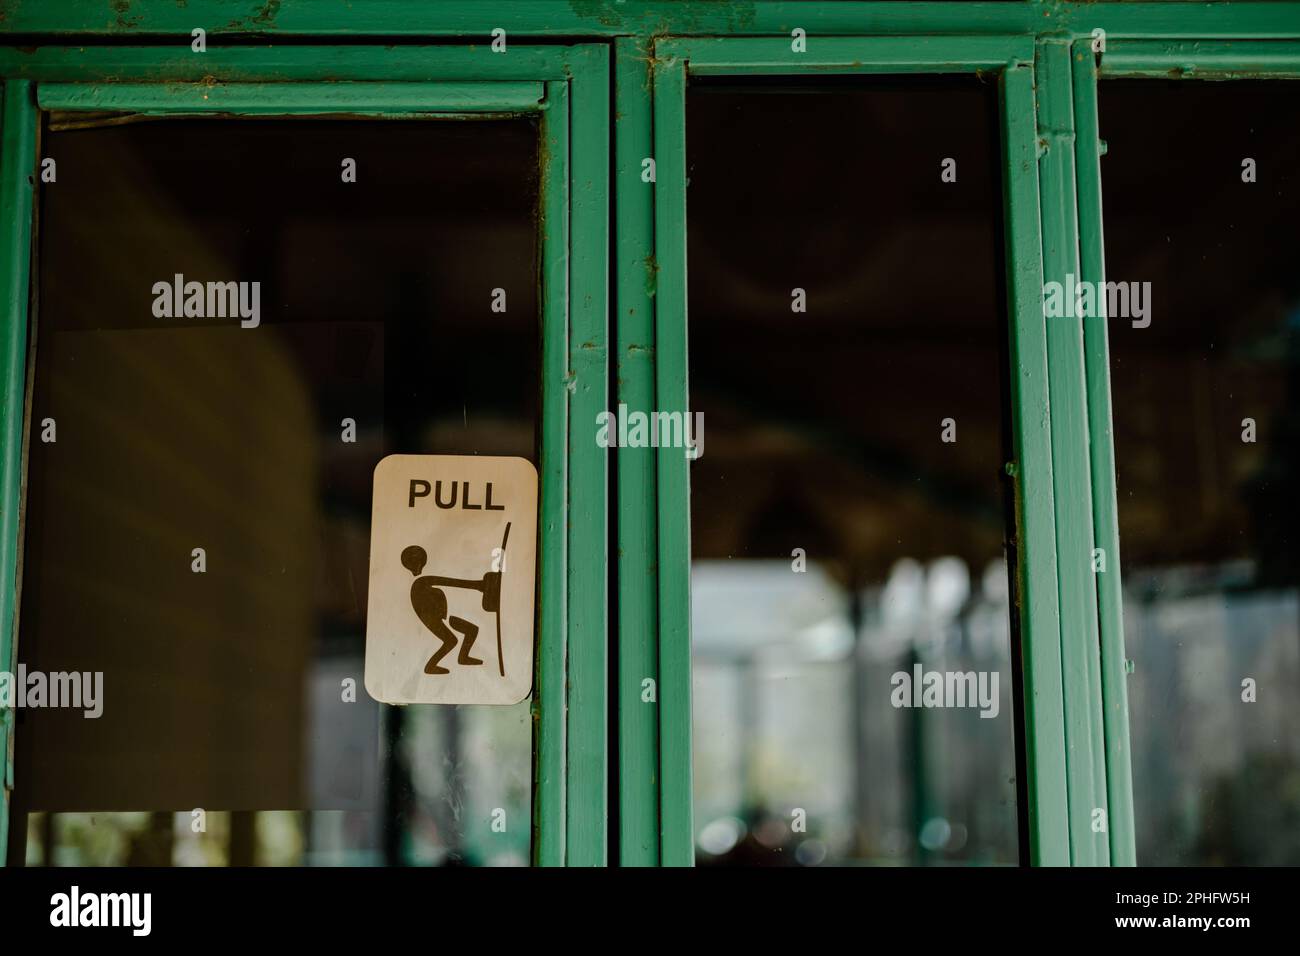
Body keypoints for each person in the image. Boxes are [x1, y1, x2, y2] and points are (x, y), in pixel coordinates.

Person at [400, 545, 483, 675]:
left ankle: (463, 657)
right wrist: (476, 585)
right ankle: (430, 667)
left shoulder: (421, 583)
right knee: (451, 640)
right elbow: (449, 582)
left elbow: (448, 582)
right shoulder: (419, 583)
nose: (417, 568)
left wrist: (478, 586)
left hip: (440, 614)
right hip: (433, 617)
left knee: (471, 631)